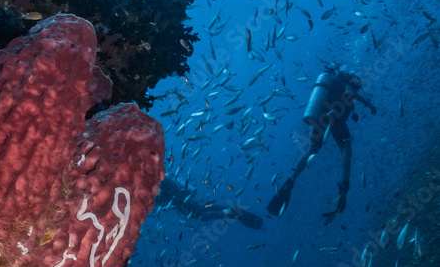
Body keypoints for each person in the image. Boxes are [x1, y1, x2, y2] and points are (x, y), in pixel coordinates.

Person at [267, 63, 376, 222]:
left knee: (312, 150)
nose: (359, 84)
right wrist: (368, 103)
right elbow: (349, 92)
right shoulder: (349, 83)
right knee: (346, 149)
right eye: (358, 81)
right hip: (335, 119)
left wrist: (365, 103)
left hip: (321, 117)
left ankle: (291, 179)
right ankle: (344, 184)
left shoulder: (333, 83)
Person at [158, 176, 264, 229]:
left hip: (183, 202)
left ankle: (234, 214)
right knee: (203, 211)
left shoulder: (161, 179)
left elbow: (161, 202)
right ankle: (234, 213)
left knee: (202, 213)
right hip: (181, 203)